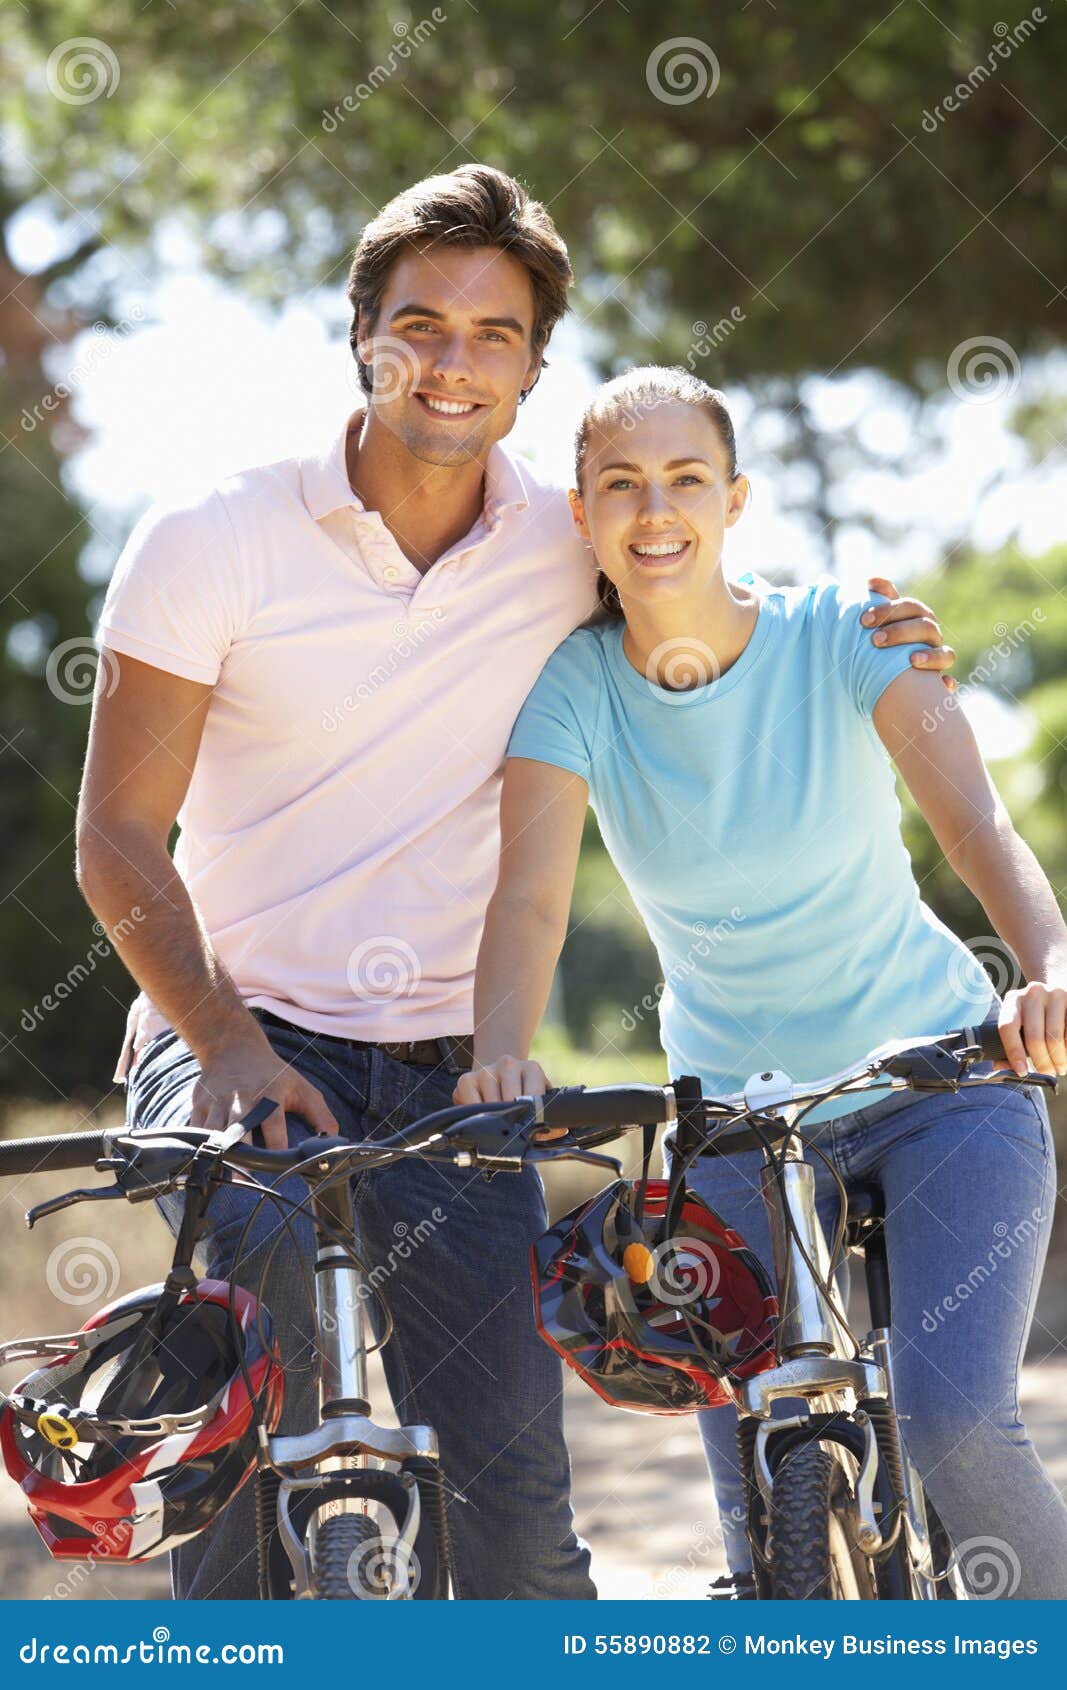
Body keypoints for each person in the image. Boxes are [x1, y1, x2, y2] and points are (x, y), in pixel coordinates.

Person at [76, 166, 954, 1601]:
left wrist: (856, 629)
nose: (451, 359)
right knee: (260, 1380)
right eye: (419, 322)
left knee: (515, 1529)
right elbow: (114, 839)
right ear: (360, 334)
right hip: (235, 1026)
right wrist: (225, 1044)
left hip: (451, 1071)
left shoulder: (561, 536)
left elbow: (695, 576)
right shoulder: (208, 537)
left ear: (534, 368)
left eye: (492, 334)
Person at [457, 364, 1067, 1600]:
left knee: (953, 1421)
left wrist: (1049, 966)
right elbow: (528, 898)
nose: (654, 508)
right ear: (581, 516)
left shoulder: (844, 633)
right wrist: (499, 1050)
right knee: (752, 1464)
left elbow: (973, 825)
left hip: (940, 1077)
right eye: (618, 485)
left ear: (734, 500)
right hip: (737, 1119)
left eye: (685, 478)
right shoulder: (573, 690)